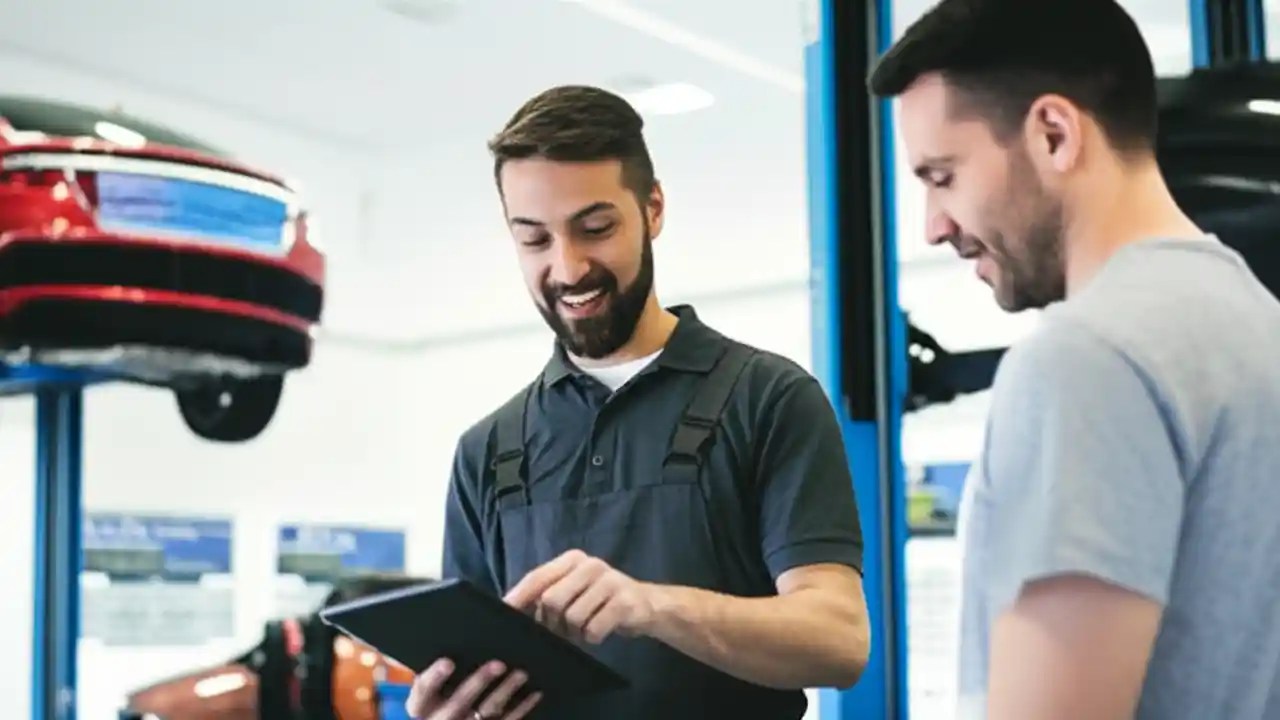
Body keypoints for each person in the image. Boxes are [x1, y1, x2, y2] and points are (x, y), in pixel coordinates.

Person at [405, 85, 870, 720]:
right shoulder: (486, 451)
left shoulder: (767, 399)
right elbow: (476, 671)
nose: (568, 268)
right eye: (534, 240)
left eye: (595, 229)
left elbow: (839, 640)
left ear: (652, 209)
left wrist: (651, 606)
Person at [870, 0, 1280, 718]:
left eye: (942, 176)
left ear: (1053, 135)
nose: (935, 226)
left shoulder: (1087, 357)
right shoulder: (1258, 323)